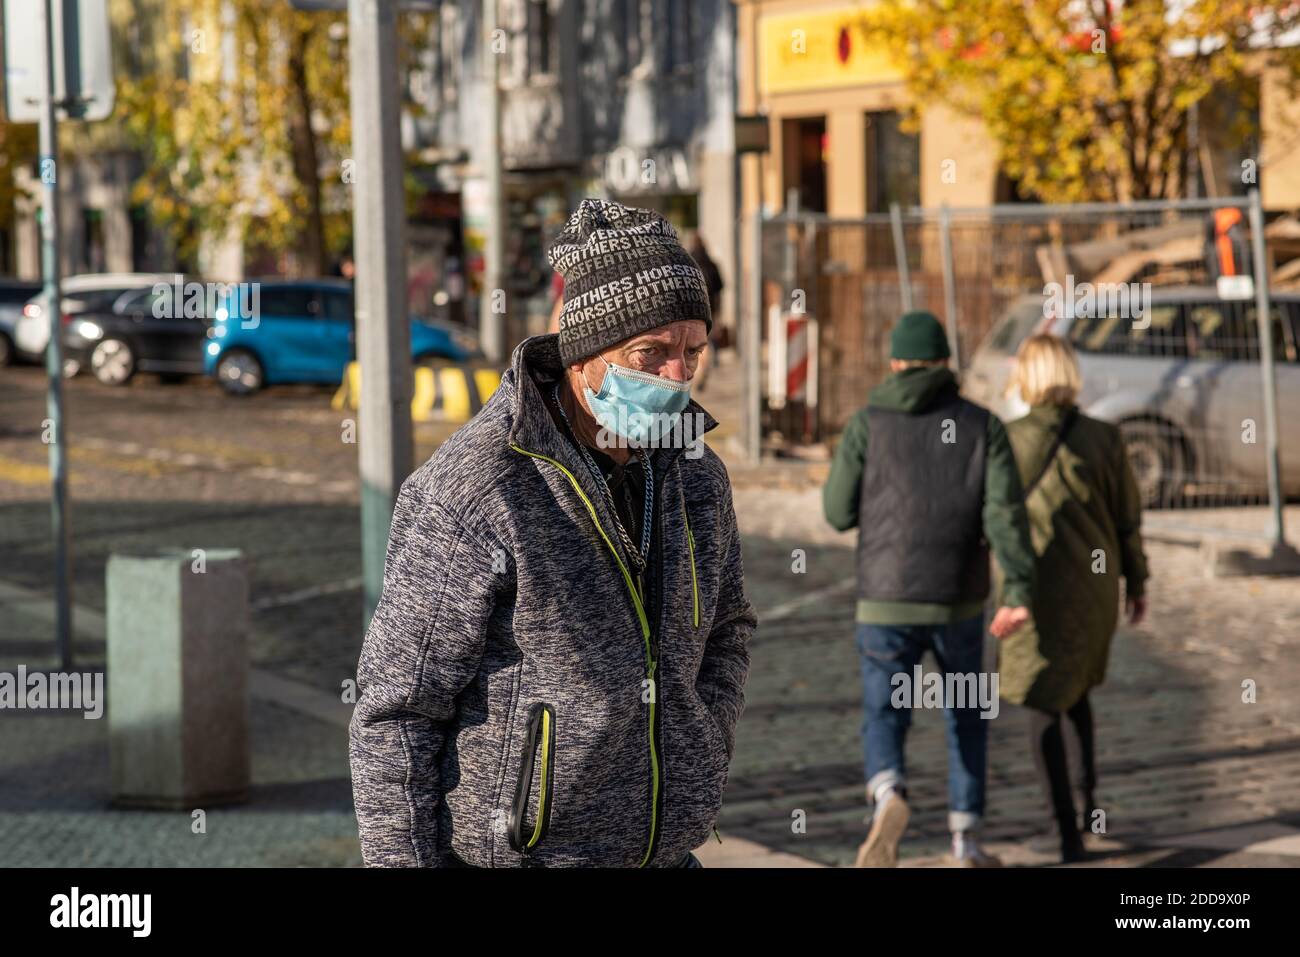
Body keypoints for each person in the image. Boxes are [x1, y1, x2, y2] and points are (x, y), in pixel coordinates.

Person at [349, 198, 756, 868]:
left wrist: (702, 740)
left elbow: (729, 626)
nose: (679, 378)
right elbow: (398, 713)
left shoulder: (695, 474)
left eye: (693, 351)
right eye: (650, 352)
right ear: (584, 352)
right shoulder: (477, 488)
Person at [822, 310, 1036, 868]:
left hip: (884, 597)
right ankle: (965, 838)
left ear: (894, 362)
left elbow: (837, 512)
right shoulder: (982, 425)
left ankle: (888, 792)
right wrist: (1018, 591)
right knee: (966, 712)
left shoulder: (867, 423)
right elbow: (1005, 515)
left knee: (883, 709)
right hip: (958, 599)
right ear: (946, 363)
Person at [995, 333, 1149, 863]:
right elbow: (1128, 519)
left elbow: (991, 519)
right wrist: (1139, 582)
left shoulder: (1006, 440)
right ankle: (1088, 811)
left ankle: (1066, 834)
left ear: (1027, 377)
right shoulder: (1106, 438)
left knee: (1043, 701)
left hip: (1032, 593)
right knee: (1078, 693)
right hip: (1094, 589)